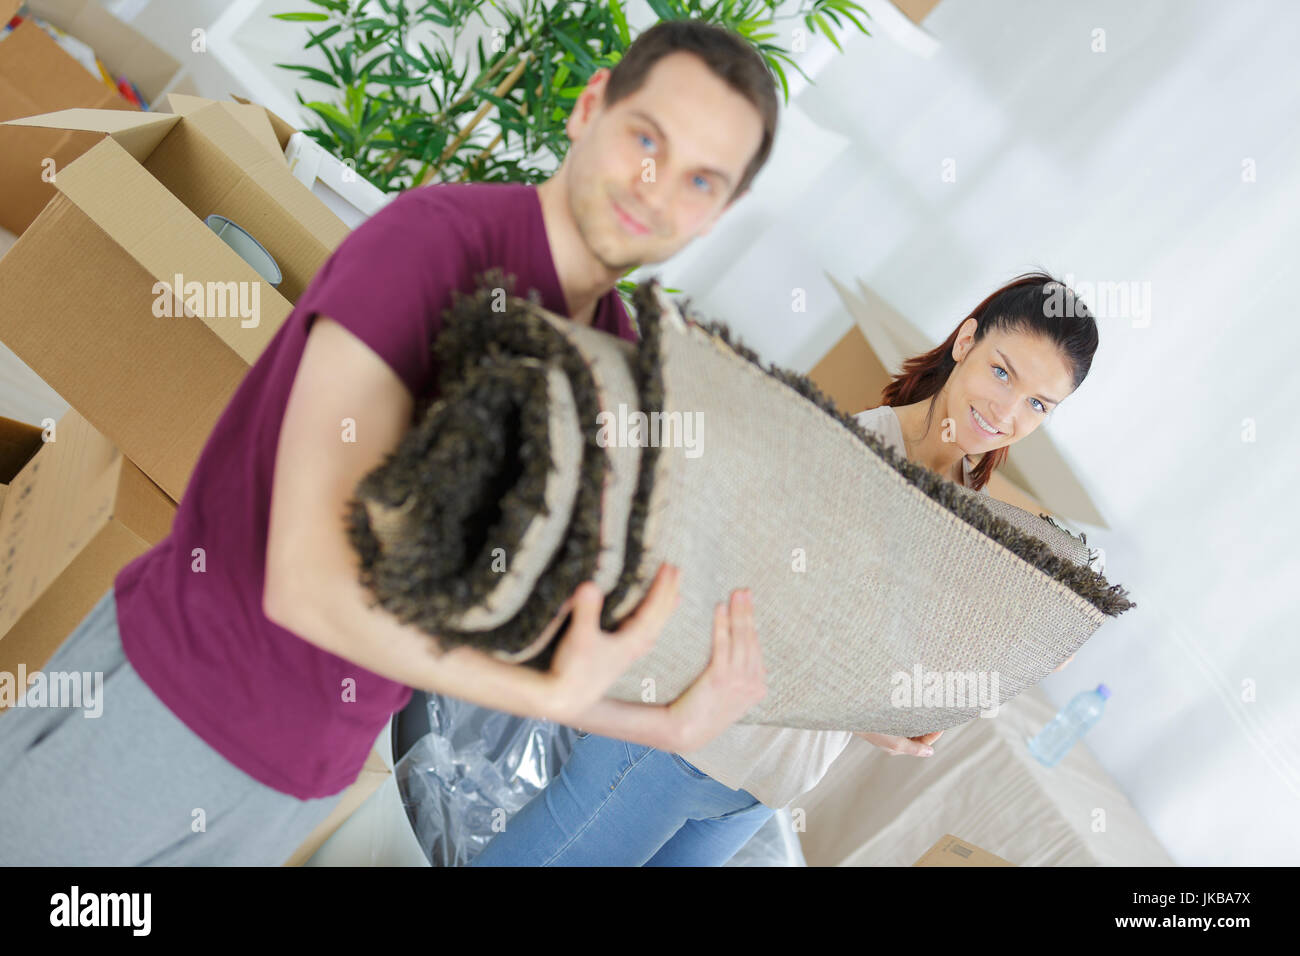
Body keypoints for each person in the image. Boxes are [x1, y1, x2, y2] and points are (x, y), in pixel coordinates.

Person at [0, 20, 782, 865]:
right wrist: (555, 693)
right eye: (646, 138)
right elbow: (305, 584)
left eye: (701, 179)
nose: (656, 190)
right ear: (590, 108)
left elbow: (495, 619)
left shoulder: (611, 356)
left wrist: (661, 723)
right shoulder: (436, 246)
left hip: (305, 772)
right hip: (176, 701)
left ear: (721, 212)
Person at [469, 271, 1099, 866]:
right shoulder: (851, 454)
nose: (1007, 413)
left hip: (761, 786)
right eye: (1001, 372)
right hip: (681, 744)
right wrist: (865, 715)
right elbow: (757, 616)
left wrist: (1025, 644)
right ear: (965, 342)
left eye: (1037, 404)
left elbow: (876, 651)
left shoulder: (964, 518)